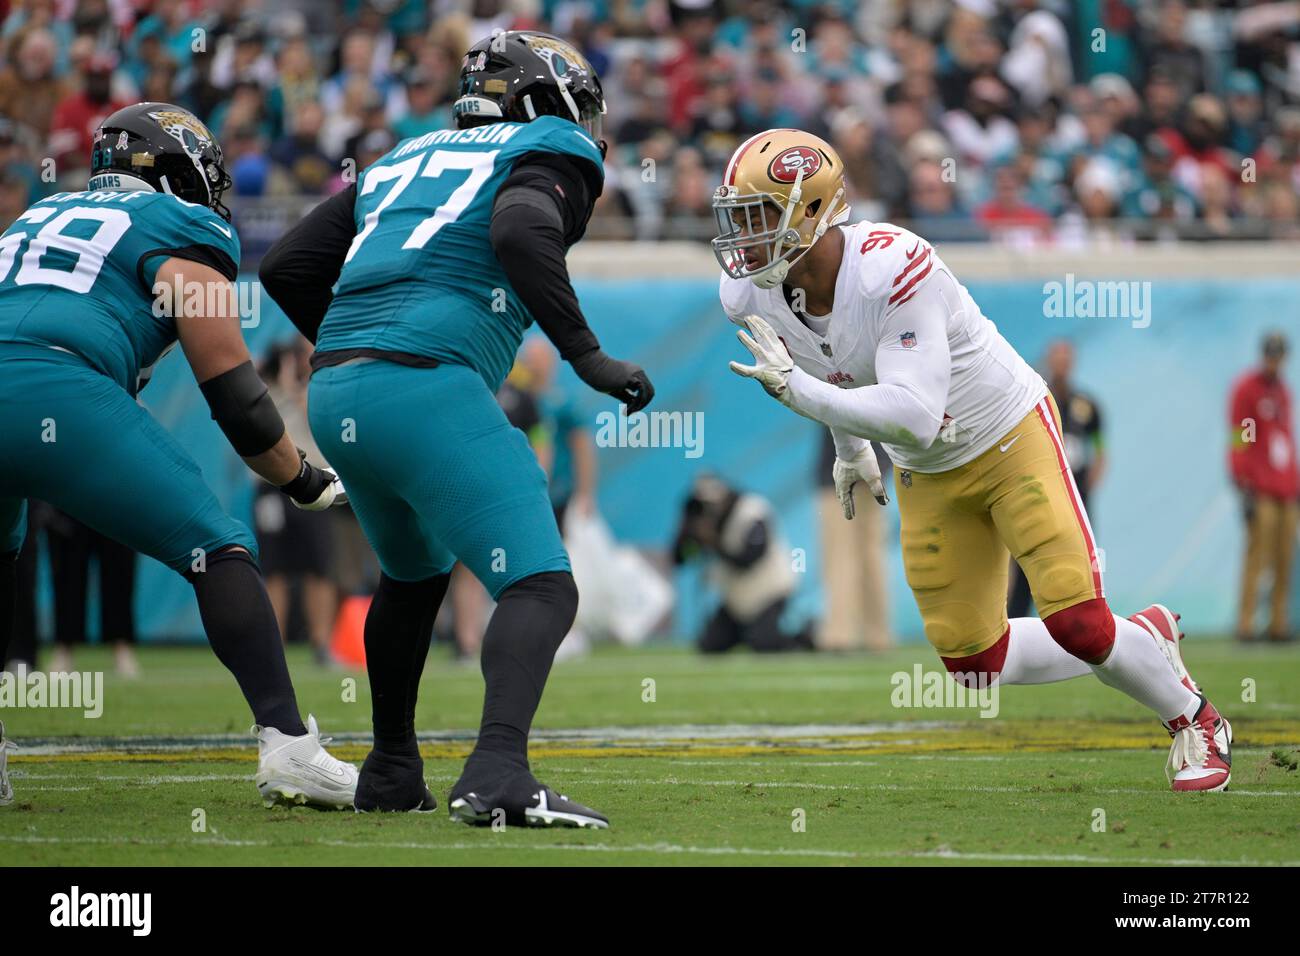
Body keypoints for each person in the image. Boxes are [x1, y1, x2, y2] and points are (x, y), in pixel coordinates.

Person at [715, 128, 1231, 792]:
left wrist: (800, 393)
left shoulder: (889, 266)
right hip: (927, 469)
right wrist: (849, 448)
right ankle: (1144, 639)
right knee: (976, 663)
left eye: (758, 216)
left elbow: (914, 410)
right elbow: (831, 368)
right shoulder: (751, 292)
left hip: (1008, 436)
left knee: (1077, 620)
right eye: (738, 217)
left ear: (812, 212)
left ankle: (1196, 718)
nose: (744, 236)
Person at [260, 32, 654, 826]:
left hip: (338, 391)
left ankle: (392, 768)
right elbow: (518, 231)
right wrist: (587, 356)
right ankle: (499, 769)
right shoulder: (552, 147)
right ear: (548, 100)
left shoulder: (404, 157)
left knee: (411, 579)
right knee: (542, 582)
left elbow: (286, 268)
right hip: (425, 380)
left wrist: (354, 341)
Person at [0, 103, 357, 810]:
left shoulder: (28, 220)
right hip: (57, 384)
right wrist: (304, 478)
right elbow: (235, 397)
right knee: (217, 545)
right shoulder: (181, 224)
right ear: (174, 173)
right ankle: (288, 745)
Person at [1008, 339, 1105, 618]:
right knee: (1030, 555)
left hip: (1076, 492)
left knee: (1078, 557)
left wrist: (1089, 483)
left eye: (1067, 357)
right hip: (1040, 490)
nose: (1062, 363)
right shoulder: (1033, 399)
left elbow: (1100, 449)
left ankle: (1080, 619)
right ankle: (1017, 623)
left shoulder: (1087, 404)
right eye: (1057, 357)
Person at [672, 474, 813, 654]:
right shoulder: (705, 522)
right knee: (710, 646)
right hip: (736, 599)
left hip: (768, 591)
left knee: (764, 643)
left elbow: (749, 559)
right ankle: (748, 633)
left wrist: (712, 542)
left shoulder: (752, 510)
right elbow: (678, 559)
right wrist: (686, 529)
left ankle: (803, 637)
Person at [1229, 332, 1298, 642]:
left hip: (1286, 488)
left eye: (1279, 355)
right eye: (1270, 354)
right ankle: (1246, 623)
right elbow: (1238, 437)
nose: (1274, 360)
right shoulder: (1247, 388)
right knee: (1257, 556)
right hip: (1261, 488)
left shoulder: (1283, 391)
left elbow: (1286, 439)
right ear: (1263, 355)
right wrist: (1243, 482)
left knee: (1285, 556)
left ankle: (1277, 624)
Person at [815, 430, 892, 650]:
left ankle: (840, 634)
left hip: (838, 467)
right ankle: (877, 634)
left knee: (840, 554)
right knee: (872, 554)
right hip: (875, 464)